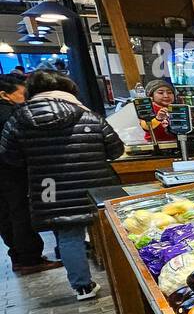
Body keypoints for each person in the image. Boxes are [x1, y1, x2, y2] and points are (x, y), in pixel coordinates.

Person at [0, 71, 124, 300]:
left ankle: (83, 287)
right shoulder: (87, 115)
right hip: (96, 184)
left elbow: (10, 157)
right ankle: (128, 279)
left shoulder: (17, 120)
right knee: (115, 231)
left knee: (67, 233)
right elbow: (116, 149)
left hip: (49, 186)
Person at [0, 74, 59, 275]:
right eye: (22, 94)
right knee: (20, 214)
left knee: (6, 215)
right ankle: (30, 259)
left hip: (6, 173)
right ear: (4, 95)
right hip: (12, 174)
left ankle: (19, 257)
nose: (27, 98)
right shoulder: (12, 115)